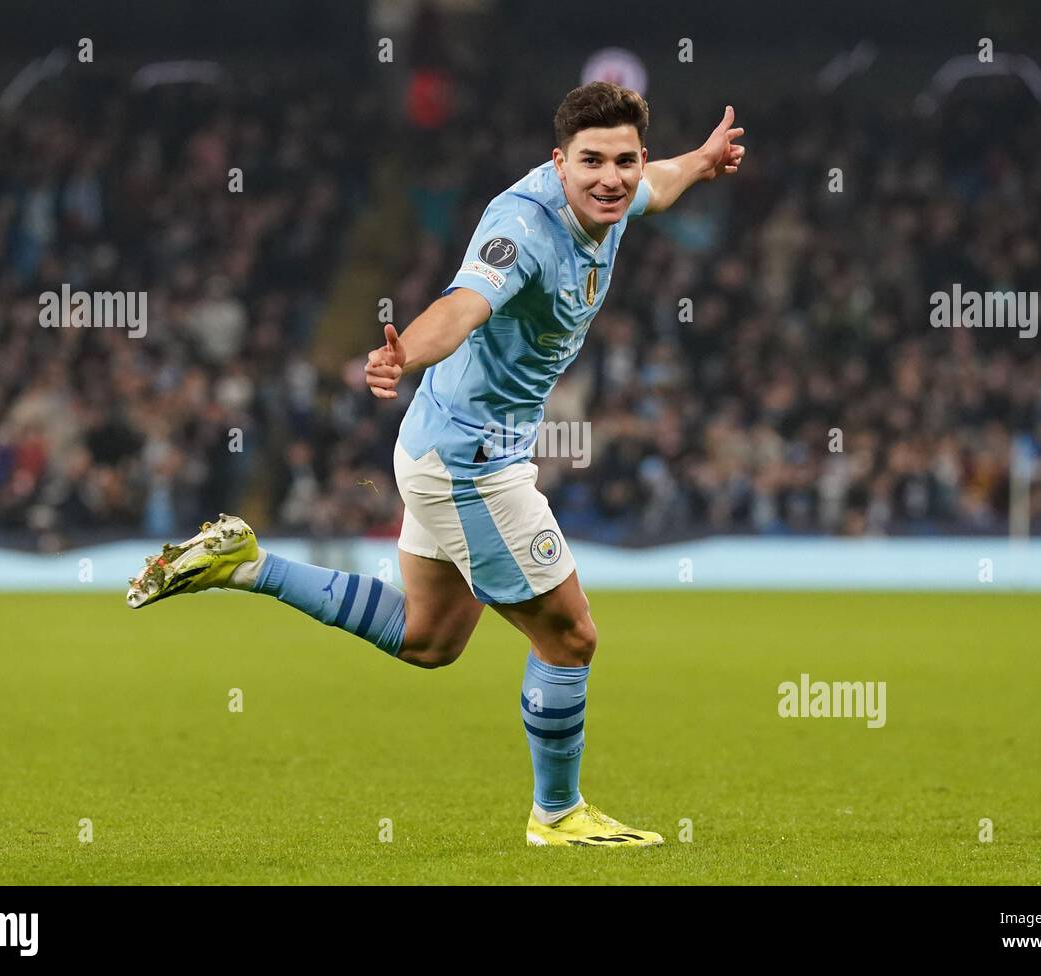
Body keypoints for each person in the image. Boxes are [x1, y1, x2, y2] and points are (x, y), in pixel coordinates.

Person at [127, 81, 745, 846]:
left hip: (439, 446)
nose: (610, 178)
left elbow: (659, 184)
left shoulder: (620, 196)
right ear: (559, 163)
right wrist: (403, 352)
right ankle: (557, 815)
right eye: (591, 163)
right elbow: (464, 304)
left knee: (428, 639)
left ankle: (249, 564)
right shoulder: (523, 228)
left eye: (622, 160)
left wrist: (703, 159)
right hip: (470, 462)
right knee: (571, 639)